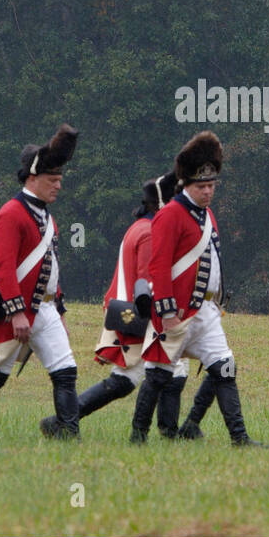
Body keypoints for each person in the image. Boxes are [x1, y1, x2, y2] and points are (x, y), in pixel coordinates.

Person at [130, 131, 269, 446]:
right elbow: (159, 267)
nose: (208, 191)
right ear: (186, 185)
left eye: (211, 186)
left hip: (205, 311)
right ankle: (137, 438)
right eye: (202, 186)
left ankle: (240, 439)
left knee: (226, 368)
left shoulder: (206, 216)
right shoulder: (169, 215)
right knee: (157, 375)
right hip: (176, 311)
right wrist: (164, 311)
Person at [0, 125, 82, 440]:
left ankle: (70, 435)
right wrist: (16, 312)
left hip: (43, 309)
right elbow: (3, 270)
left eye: (60, 179)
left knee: (66, 371)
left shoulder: (46, 216)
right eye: (52, 180)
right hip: (13, 309)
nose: (58, 186)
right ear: (32, 178)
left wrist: (59, 312)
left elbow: (50, 268)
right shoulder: (11, 214)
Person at [72, 171, 193, 437]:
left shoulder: (139, 227)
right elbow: (147, 282)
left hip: (127, 311)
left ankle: (167, 430)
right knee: (137, 376)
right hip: (138, 315)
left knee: (147, 373)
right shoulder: (151, 232)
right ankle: (162, 432)